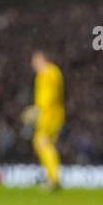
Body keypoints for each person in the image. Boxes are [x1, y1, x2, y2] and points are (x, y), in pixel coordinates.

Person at [23, 50, 64, 191]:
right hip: (50, 113)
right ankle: (52, 177)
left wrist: (37, 110)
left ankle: (54, 179)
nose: (33, 64)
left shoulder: (48, 72)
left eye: (35, 60)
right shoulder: (50, 73)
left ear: (42, 59)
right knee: (43, 143)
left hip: (50, 113)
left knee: (41, 141)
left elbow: (50, 96)